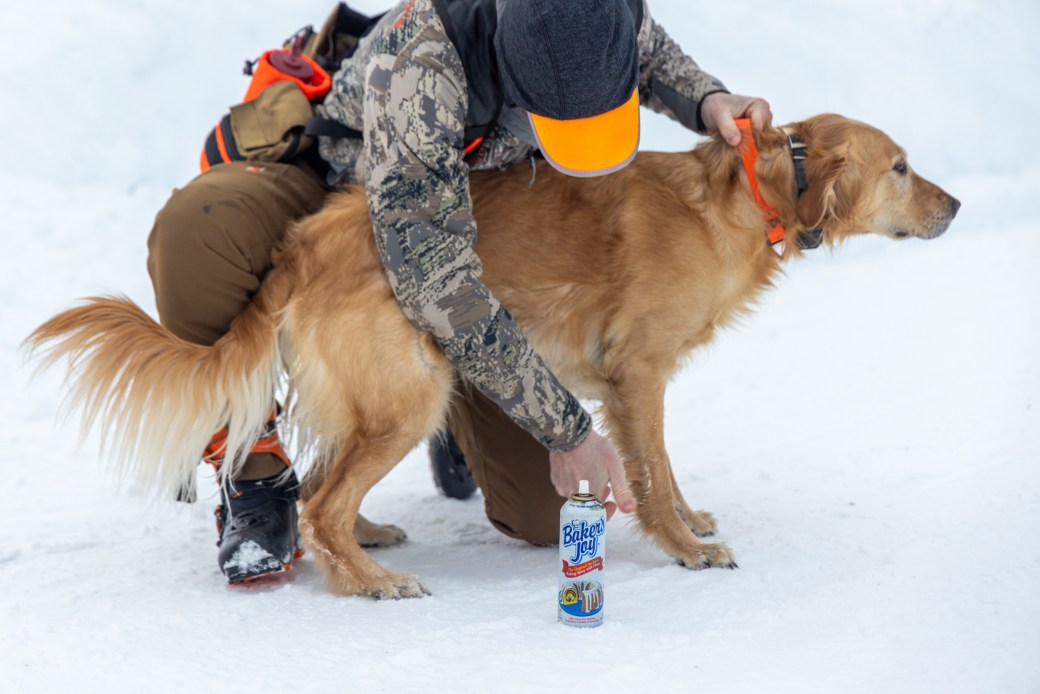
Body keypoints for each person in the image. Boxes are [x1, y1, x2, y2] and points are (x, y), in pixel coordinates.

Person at [147, 0, 771, 583]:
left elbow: (643, 48)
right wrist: (566, 430)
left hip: (482, 234)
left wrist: (708, 100)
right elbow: (433, 275)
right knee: (199, 233)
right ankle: (255, 473)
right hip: (353, 200)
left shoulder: (598, 11)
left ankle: (445, 412)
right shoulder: (420, 61)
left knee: (549, 515)